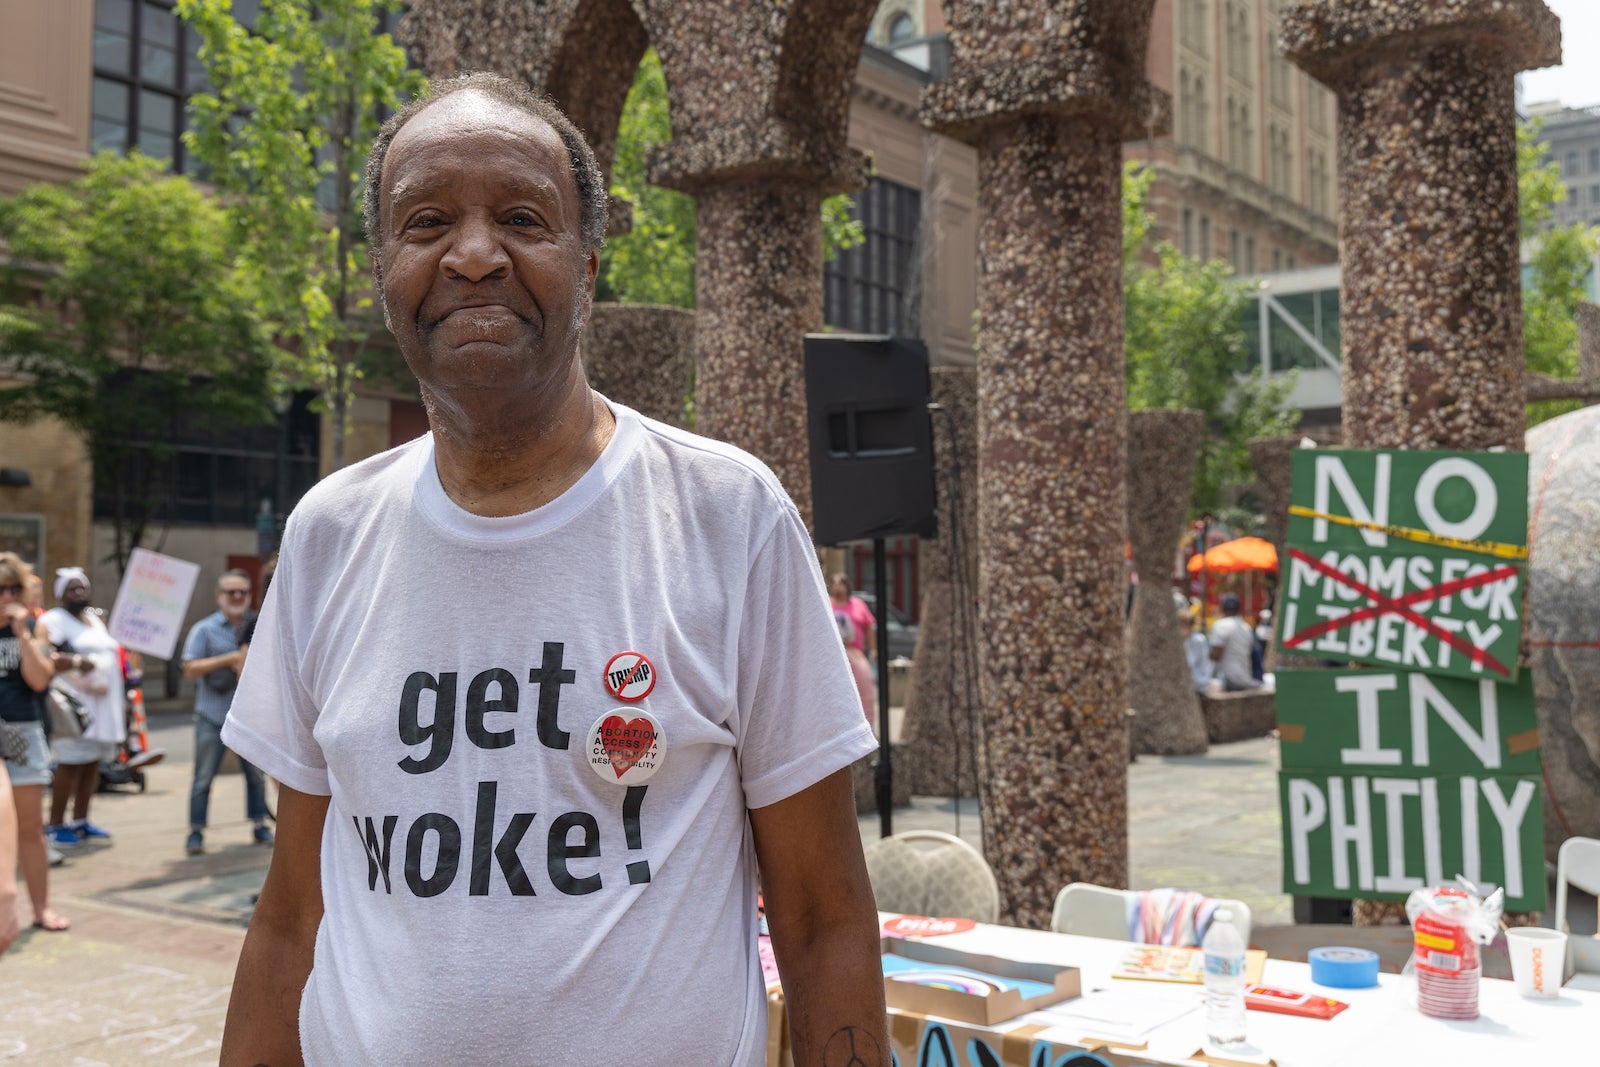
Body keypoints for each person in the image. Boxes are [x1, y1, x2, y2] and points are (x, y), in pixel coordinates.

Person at [217, 74, 887, 1067]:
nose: (475, 253)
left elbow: (822, 912)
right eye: (427, 220)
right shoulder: (328, 534)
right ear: (383, 268)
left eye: (523, 217)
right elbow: (290, 916)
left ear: (588, 259)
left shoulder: (727, 516)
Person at [181, 570, 271, 855]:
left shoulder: (260, 624)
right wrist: (229, 659)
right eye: (230, 592)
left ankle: (259, 824)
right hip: (212, 715)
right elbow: (190, 669)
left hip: (249, 717)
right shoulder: (204, 629)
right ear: (219, 596)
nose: (236, 597)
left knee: (256, 776)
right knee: (203, 778)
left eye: (241, 592)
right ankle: (196, 831)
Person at [0, 552, 68, 931]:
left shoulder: (34, 628)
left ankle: (41, 909)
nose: (5, 596)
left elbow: (40, 680)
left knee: (30, 828)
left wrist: (22, 632)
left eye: (13, 588)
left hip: (22, 734)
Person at [40, 567, 126, 846]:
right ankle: (55, 824)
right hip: (74, 705)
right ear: (60, 594)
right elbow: (46, 656)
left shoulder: (94, 620)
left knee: (92, 762)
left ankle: (80, 820)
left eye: (83, 588)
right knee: (70, 761)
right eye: (72, 588)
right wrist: (78, 663)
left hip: (103, 704)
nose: (79, 593)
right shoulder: (54, 620)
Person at [830, 573, 877, 723]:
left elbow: (869, 627)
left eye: (841, 583)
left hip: (855, 654)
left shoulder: (858, 604)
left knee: (864, 687)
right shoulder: (827, 603)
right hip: (834, 656)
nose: (838, 587)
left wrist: (873, 649)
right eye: (835, 583)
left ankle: (867, 723)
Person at [1208, 593, 1261, 692]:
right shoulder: (1246, 627)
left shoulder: (1221, 625)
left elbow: (1216, 655)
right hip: (1246, 678)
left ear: (1222, 608)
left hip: (1229, 681)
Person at [1182, 610, 1212, 695]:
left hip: (1198, 683)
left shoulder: (1199, 640)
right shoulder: (1177, 641)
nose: (1184, 628)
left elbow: (1205, 663)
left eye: (1187, 625)